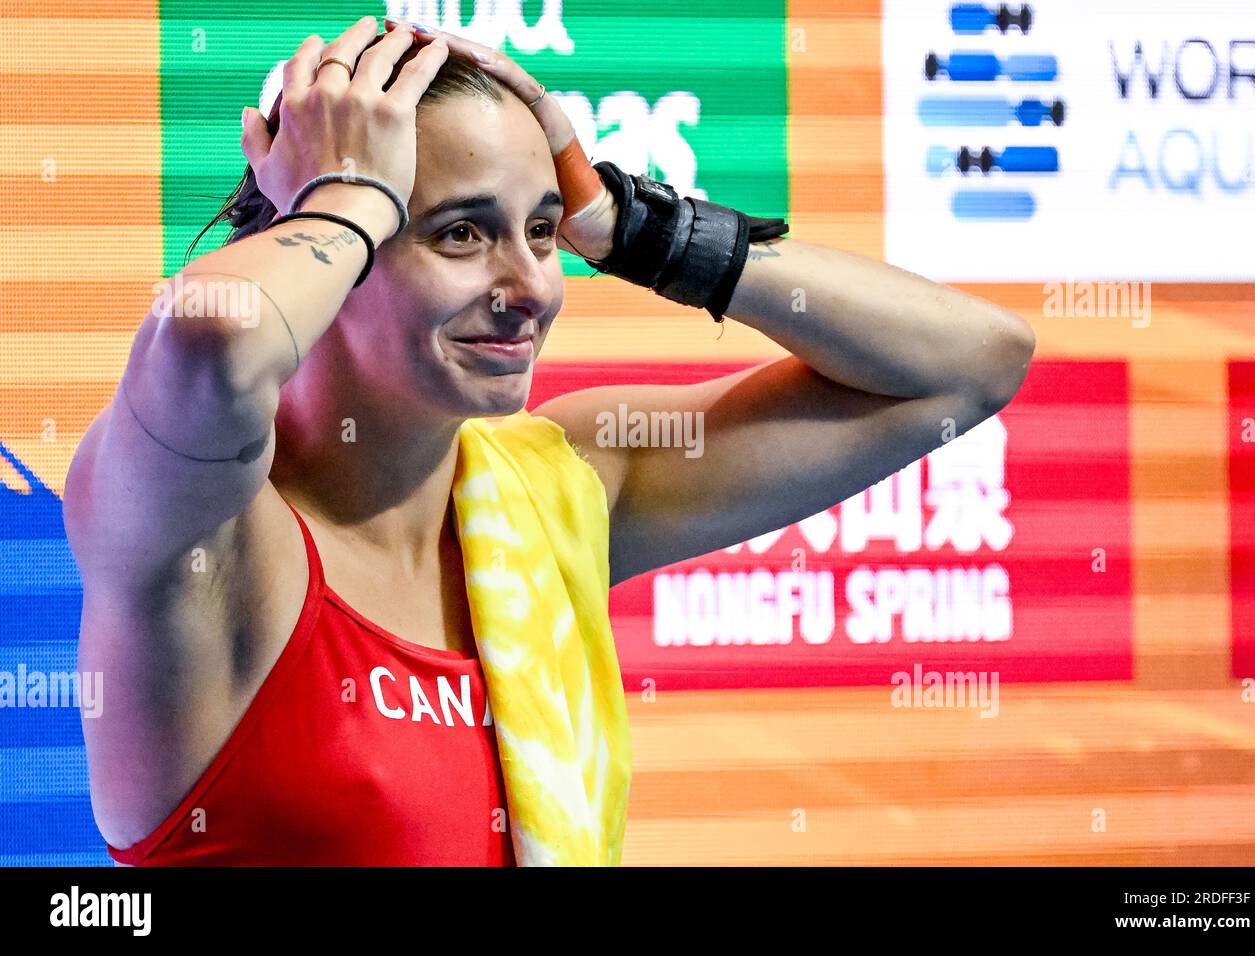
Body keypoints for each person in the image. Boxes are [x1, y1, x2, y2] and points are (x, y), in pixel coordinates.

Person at [63, 16, 1035, 866]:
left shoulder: (556, 490)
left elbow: (969, 363)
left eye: (539, 227)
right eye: (458, 234)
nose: (529, 282)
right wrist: (352, 196)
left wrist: (638, 228)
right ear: (331, 245)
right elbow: (207, 343)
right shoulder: (207, 537)